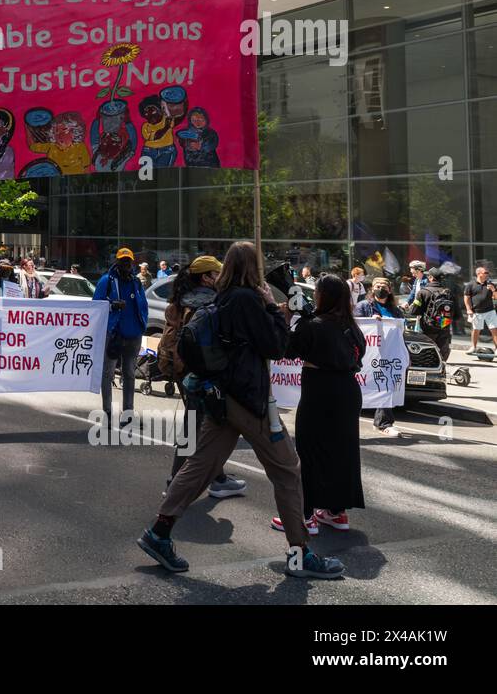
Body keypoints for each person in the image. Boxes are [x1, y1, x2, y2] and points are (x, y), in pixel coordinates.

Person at [137, 241, 345, 580]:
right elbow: (276, 347)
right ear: (252, 267)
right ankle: (300, 553)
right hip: (249, 399)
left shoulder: (221, 297)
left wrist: (271, 311)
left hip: (222, 397)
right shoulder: (247, 299)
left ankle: (159, 532)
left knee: (200, 465)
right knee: (288, 470)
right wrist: (272, 308)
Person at [283, 275, 367, 536]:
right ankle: (335, 511)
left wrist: (285, 319)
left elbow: (286, 349)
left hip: (319, 391)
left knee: (310, 450)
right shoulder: (351, 326)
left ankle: (306, 516)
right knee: (343, 450)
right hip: (348, 392)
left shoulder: (313, 324)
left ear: (323, 296)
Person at [156, 256, 247, 499]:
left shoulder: (184, 299)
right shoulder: (205, 302)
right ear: (206, 278)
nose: (221, 278)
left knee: (203, 426)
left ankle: (216, 478)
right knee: (200, 427)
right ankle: (177, 481)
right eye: (217, 274)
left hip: (186, 371)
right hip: (201, 374)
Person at [93, 247, 149, 427]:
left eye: (128, 260)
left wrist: (142, 325)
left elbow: (143, 305)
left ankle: (128, 413)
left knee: (130, 374)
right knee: (108, 374)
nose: (126, 263)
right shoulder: (106, 281)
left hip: (133, 335)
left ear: (132, 262)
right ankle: (108, 413)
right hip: (114, 335)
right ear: (117, 261)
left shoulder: (136, 282)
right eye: (122, 260)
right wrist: (112, 305)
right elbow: (96, 305)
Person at [353, 278, 403, 437]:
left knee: (387, 387)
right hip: (369, 355)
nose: (380, 288)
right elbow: (356, 325)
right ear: (372, 289)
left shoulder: (395, 310)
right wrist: (371, 322)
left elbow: (401, 331)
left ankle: (384, 423)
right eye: (377, 286)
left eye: (384, 286)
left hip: (389, 355)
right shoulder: (363, 306)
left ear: (389, 290)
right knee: (360, 387)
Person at [408, 268, 453, 370]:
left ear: (431, 278)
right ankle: (441, 368)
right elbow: (455, 312)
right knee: (443, 348)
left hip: (428, 325)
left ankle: (428, 369)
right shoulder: (448, 292)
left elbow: (414, 311)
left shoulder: (423, 292)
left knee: (427, 348)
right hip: (444, 323)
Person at [463, 264, 497, 357]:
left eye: (487, 273)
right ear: (479, 274)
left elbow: (496, 298)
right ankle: (473, 347)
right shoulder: (471, 285)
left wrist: (494, 290)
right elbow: (466, 298)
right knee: (476, 330)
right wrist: (469, 309)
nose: (487, 274)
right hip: (477, 311)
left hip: (490, 311)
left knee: (494, 329)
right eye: (485, 272)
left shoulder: (491, 284)